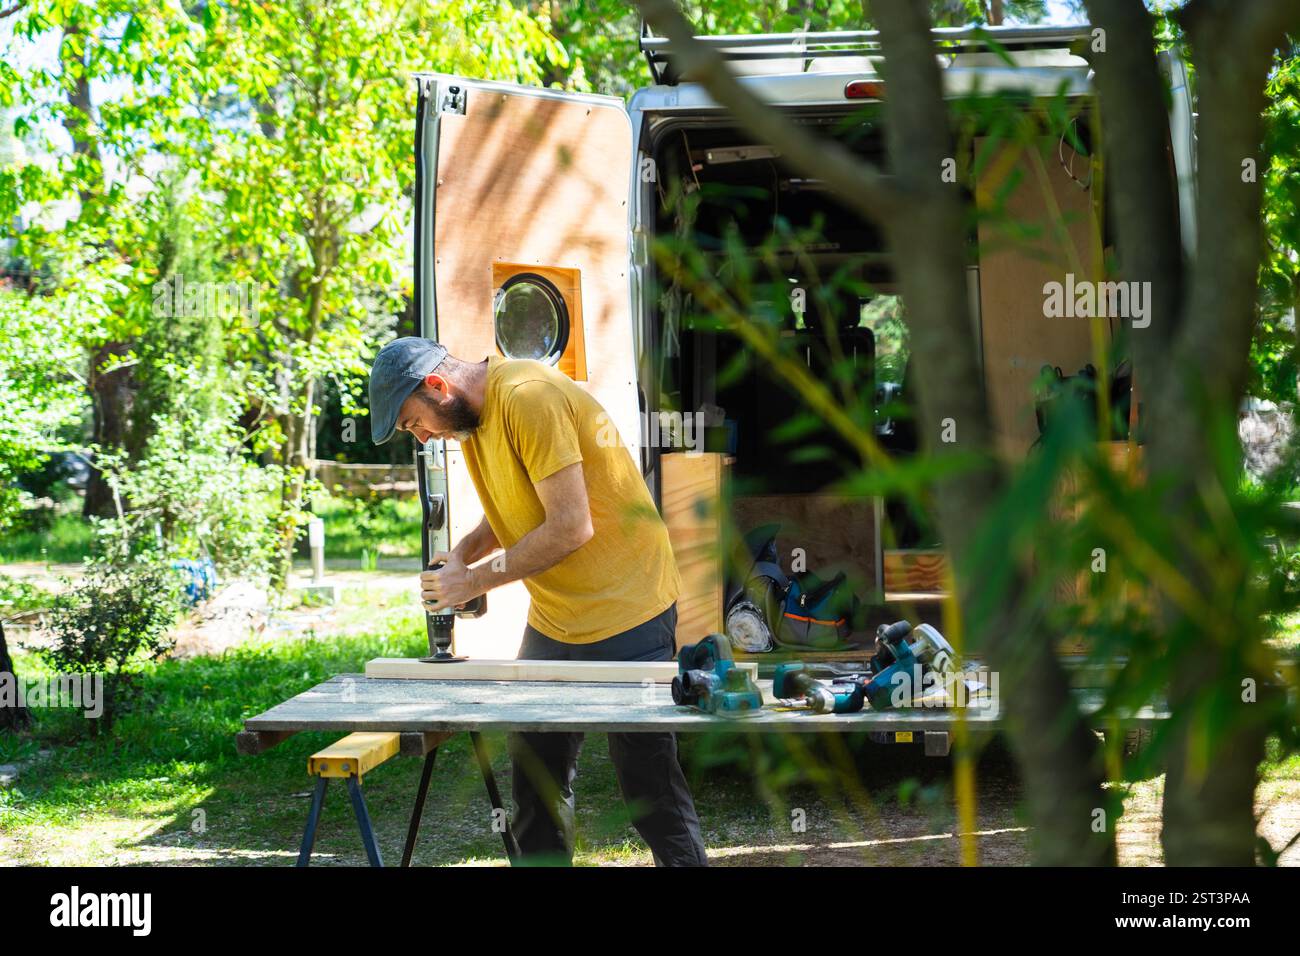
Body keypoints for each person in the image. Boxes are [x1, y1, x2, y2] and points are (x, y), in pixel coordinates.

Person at [368, 336, 708, 866]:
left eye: (414, 423)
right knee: (535, 777)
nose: (420, 438)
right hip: (557, 618)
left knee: (647, 783)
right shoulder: (472, 420)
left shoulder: (528, 397)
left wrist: (473, 583)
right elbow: (513, 508)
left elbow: (572, 526)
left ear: (437, 386)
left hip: (628, 604)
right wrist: (461, 555)